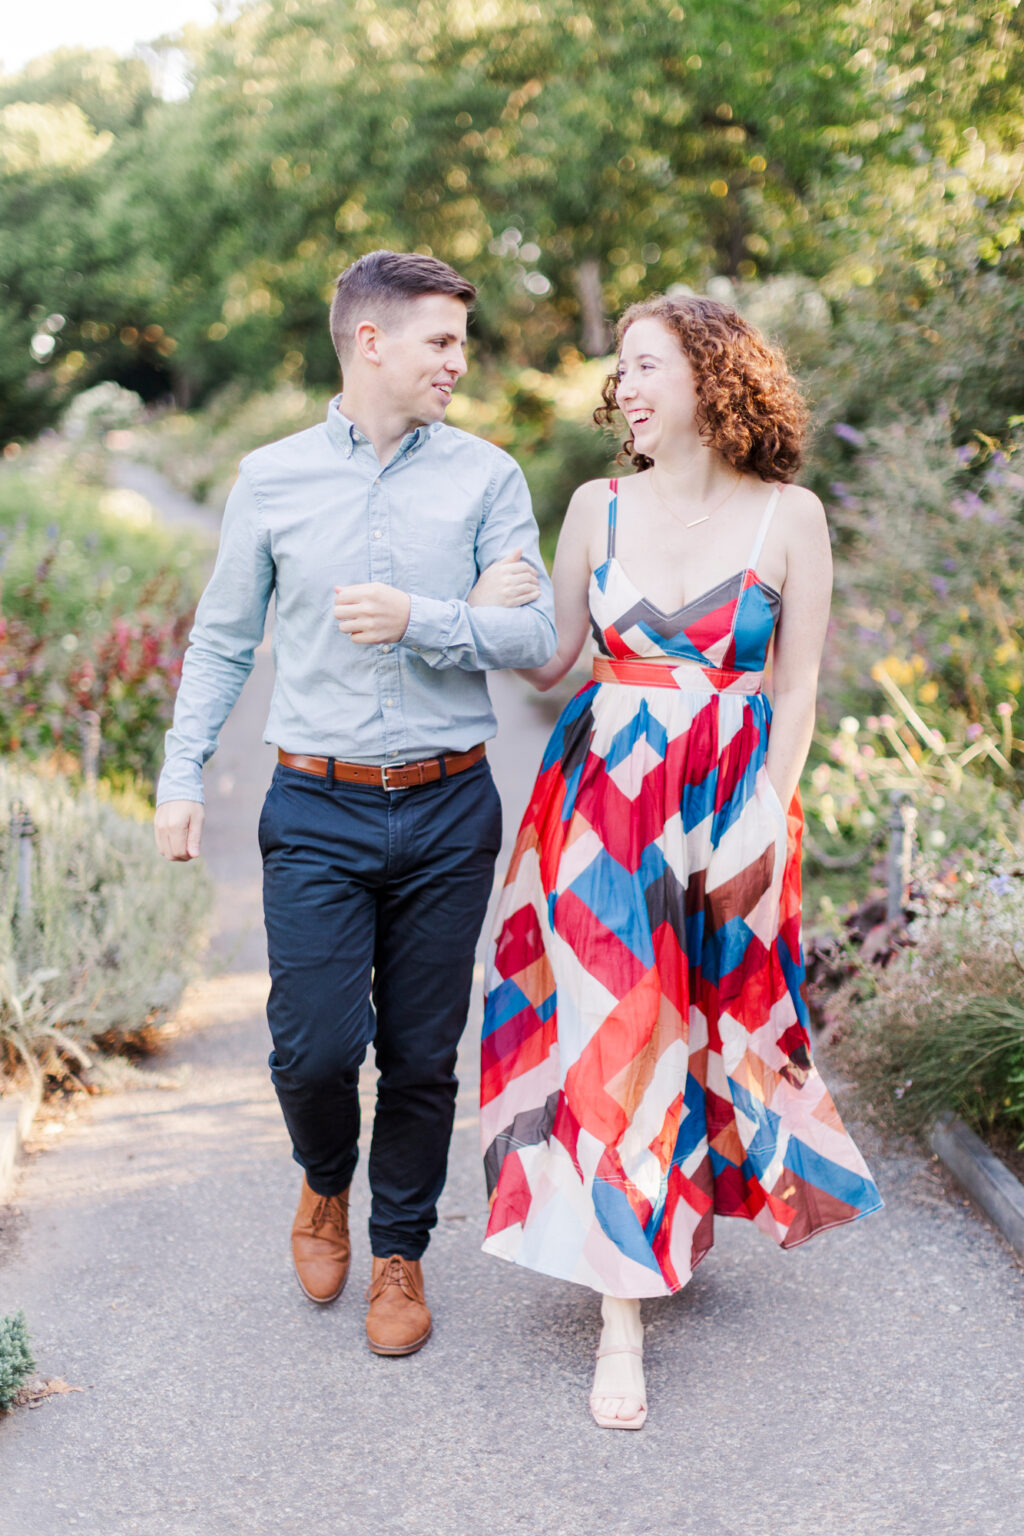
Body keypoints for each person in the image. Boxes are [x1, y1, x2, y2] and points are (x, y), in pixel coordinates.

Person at [479, 292, 882, 1428]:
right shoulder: (595, 508)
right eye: (622, 370)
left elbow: (796, 687)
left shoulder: (790, 517)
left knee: (709, 1025)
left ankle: (672, 1215)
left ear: (714, 378)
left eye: (645, 364)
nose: (625, 388)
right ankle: (619, 1324)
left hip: (729, 809)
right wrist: (484, 611)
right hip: (600, 804)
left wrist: (770, 810)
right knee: (621, 1028)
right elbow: (549, 664)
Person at [154, 249, 555, 1356]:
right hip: (317, 807)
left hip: (448, 805)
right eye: (440, 342)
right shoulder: (271, 478)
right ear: (369, 341)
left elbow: (535, 638)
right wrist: (180, 777)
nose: (457, 364)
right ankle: (323, 1182)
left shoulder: (486, 476)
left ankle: (399, 1254)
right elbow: (225, 640)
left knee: (425, 1055)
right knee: (315, 1049)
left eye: (460, 344)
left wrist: (425, 616)